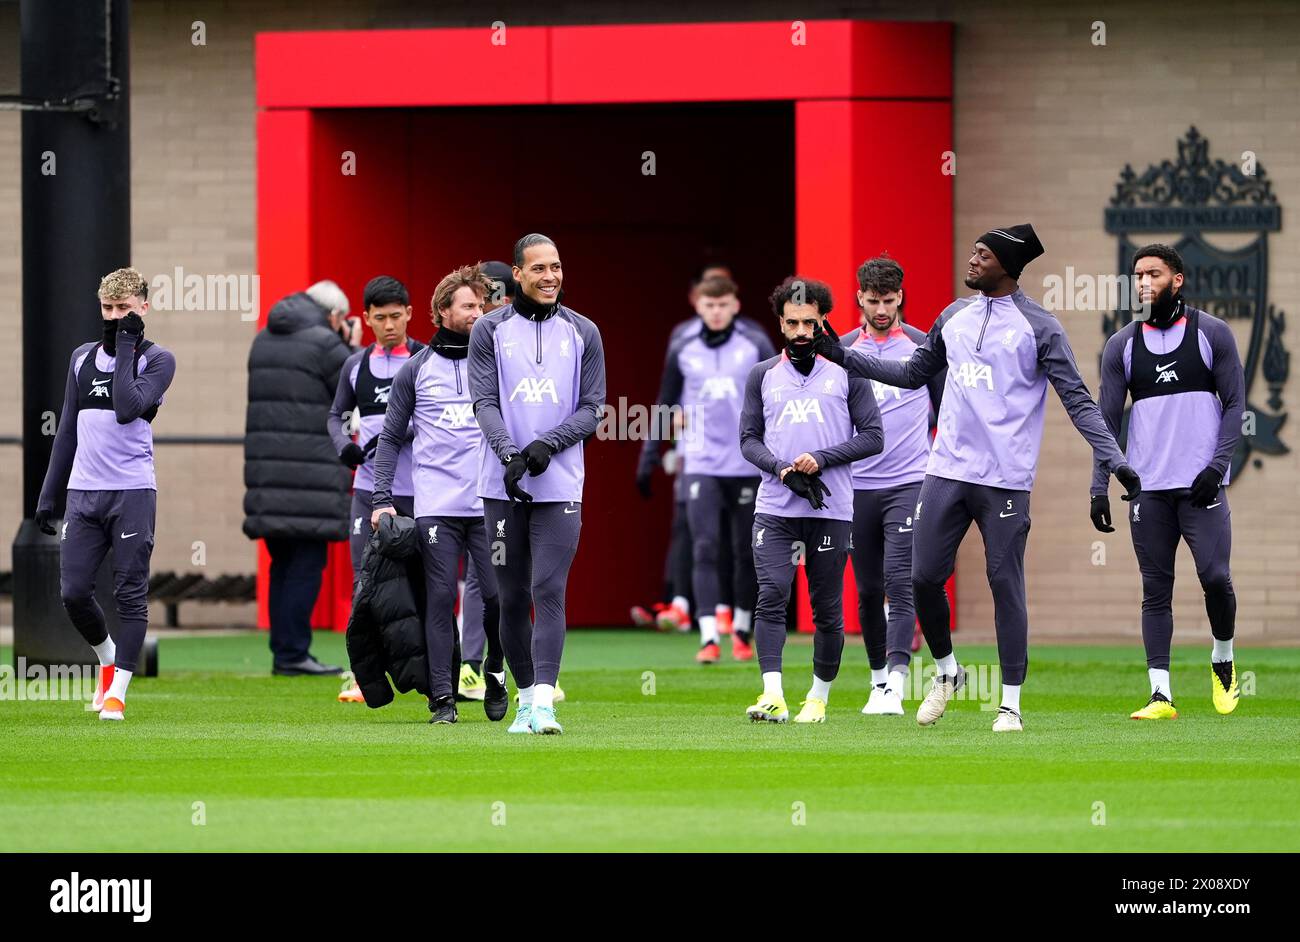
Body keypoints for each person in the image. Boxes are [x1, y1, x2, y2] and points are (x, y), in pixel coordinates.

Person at [819, 224, 1141, 732]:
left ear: (1007, 267)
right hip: (945, 471)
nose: (971, 261)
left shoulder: (1041, 327)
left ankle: (1010, 702)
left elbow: (1077, 399)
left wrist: (1114, 460)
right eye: (973, 252)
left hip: (1005, 480)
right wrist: (841, 355)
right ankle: (948, 672)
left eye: (983, 255)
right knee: (922, 578)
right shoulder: (953, 316)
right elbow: (910, 374)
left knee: (1002, 581)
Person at [1091, 244, 1244, 720]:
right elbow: (1105, 421)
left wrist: (1217, 468)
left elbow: (1237, 406)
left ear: (1176, 280)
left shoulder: (1212, 334)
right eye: (1137, 275)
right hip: (1148, 489)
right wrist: (1100, 484)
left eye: (1152, 274)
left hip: (1203, 486)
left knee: (1215, 578)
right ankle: (1161, 694)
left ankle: (1222, 657)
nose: (1142, 283)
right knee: (1155, 589)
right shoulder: (1121, 346)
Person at [469, 233, 606, 735]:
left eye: (557, 266)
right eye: (540, 268)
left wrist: (545, 446)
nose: (551, 276)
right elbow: (484, 401)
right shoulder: (489, 330)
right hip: (500, 484)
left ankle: (545, 702)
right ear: (518, 274)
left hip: (561, 486)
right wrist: (510, 455)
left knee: (549, 588)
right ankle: (524, 699)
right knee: (508, 596)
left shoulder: (584, 331)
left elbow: (593, 407)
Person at [35, 268, 177, 721]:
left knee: (130, 593)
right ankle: (107, 657)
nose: (115, 317)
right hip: (84, 493)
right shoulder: (80, 358)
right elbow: (67, 429)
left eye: (124, 309)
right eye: (108, 309)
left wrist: (127, 345)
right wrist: (48, 495)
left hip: (132, 492)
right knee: (74, 592)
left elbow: (126, 408)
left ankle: (117, 691)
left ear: (143, 308)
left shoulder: (158, 360)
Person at [739, 276, 883, 723]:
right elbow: (748, 439)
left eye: (809, 322)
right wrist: (782, 468)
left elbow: (874, 437)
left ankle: (817, 699)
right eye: (792, 323)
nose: (801, 331)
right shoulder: (762, 375)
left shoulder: (848, 372)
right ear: (780, 324)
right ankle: (772, 695)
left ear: (823, 322)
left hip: (831, 508)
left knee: (826, 607)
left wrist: (820, 459)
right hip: (776, 507)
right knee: (772, 594)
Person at [372, 264, 508, 724]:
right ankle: (443, 700)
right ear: (442, 311)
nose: (478, 312)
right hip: (436, 508)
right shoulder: (417, 369)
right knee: (439, 597)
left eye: (481, 305)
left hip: (489, 504)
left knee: (494, 598)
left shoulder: (495, 363)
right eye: (468, 305)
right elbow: (390, 438)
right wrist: (381, 498)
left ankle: (493, 672)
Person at [639, 275, 775, 663]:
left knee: (746, 551)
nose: (716, 312)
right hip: (700, 462)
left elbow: (776, 397)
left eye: (723, 305)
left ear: (735, 305)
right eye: (709, 305)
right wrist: (649, 458)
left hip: (745, 462)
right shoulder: (683, 347)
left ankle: (743, 629)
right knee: (704, 546)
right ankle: (708, 636)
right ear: (698, 305)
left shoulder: (755, 344)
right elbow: (665, 403)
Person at [840, 255, 944, 716]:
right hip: (857, 485)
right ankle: (878, 681)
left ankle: (898, 684)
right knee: (865, 590)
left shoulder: (924, 348)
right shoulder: (841, 351)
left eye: (889, 299)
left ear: (901, 296)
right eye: (872, 300)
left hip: (909, 483)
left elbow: (946, 414)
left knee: (900, 584)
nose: (881, 308)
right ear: (859, 298)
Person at [243, 281, 354, 676]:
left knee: (282, 566)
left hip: (268, 476)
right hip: (312, 476)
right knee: (306, 566)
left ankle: (285, 652)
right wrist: (350, 343)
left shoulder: (263, 339)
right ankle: (293, 655)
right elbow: (356, 382)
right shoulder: (326, 343)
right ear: (334, 316)